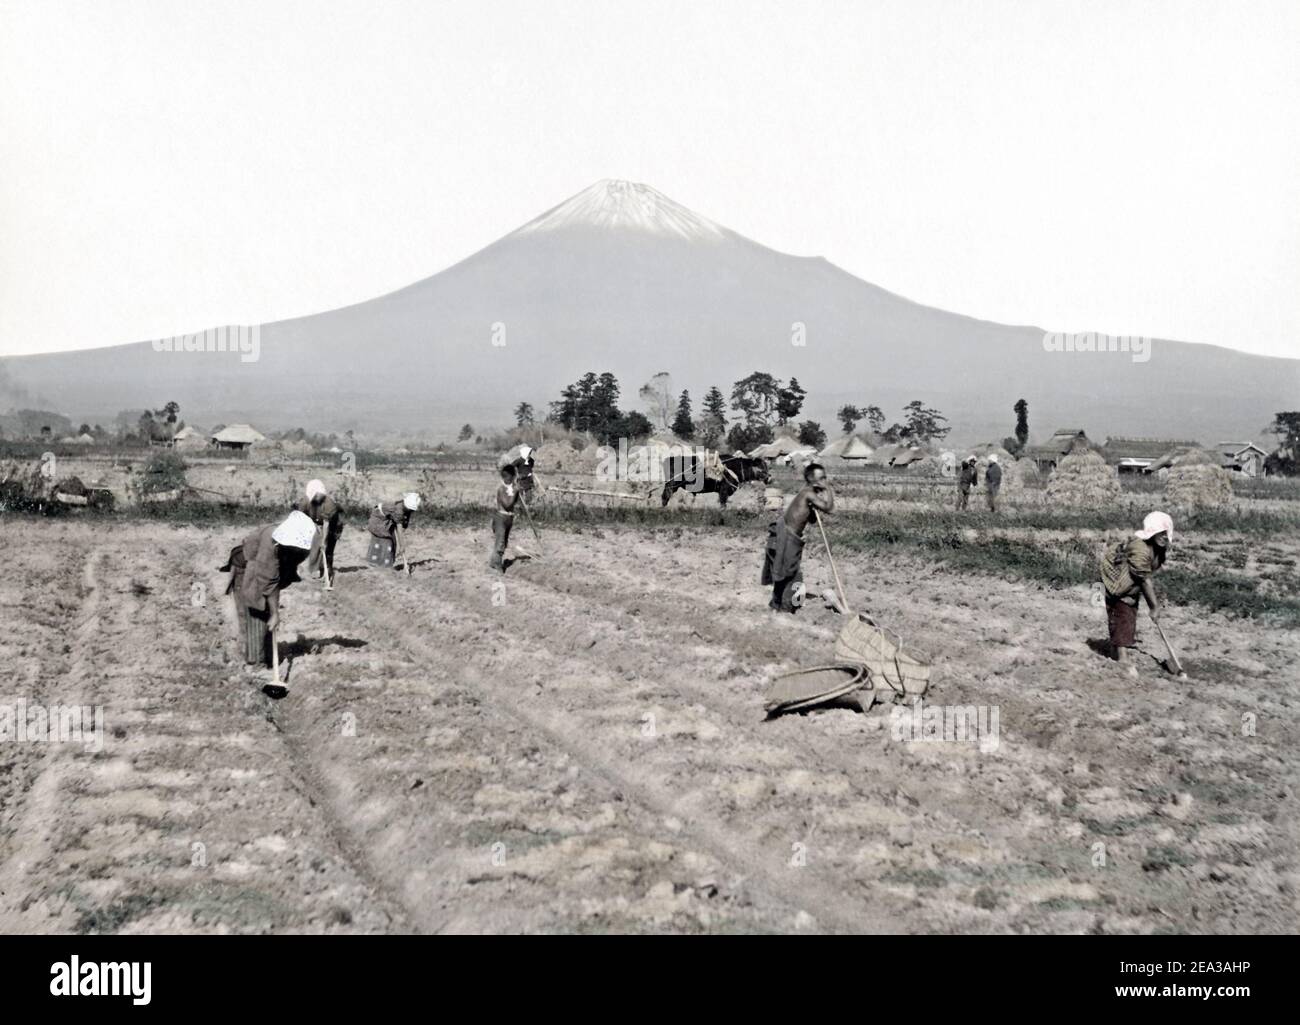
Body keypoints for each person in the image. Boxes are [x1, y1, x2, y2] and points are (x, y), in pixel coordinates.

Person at [221, 510, 315, 667]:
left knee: (266, 616)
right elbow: (268, 581)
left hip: (264, 568)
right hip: (247, 567)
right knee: (255, 609)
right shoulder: (270, 542)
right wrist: (275, 612)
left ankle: (267, 657)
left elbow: (282, 571)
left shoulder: (302, 544)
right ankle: (255, 662)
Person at [1100, 511, 1173, 677]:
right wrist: (1154, 606)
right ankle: (1122, 656)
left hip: (1131, 583)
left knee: (1129, 612)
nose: (1163, 537)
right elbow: (1145, 579)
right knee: (1122, 611)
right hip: (1116, 579)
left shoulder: (1159, 550)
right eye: (1159, 533)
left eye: (1165, 534)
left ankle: (1116, 647)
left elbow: (1146, 576)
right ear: (1151, 532)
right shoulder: (1140, 548)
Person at [762, 462, 834, 613]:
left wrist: (814, 509)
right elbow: (829, 508)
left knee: (785, 573)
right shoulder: (808, 493)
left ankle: (776, 605)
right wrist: (828, 488)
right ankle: (787, 609)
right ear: (811, 479)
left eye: (825, 478)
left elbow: (812, 519)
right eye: (822, 478)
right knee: (794, 576)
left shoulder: (807, 494)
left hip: (789, 537)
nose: (824, 481)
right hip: (787, 537)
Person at [294, 479, 343, 584]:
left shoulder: (329, 503)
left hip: (332, 526)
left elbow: (326, 524)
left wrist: (324, 541)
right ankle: (312, 569)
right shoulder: (305, 501)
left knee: (328, 549)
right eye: (315, 495)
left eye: (319, 495)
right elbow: (300, 517)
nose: (317, 497)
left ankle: (327, 573)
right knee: (311, 547)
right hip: (315, 523)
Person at [367, 493, 420, 569]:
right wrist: (402, 546)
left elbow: (404, 522)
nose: (411, 511)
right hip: (378, 520)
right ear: (406, 505)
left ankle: (383, 564)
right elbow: (399, 528)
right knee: (387, 541)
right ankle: (380, 565)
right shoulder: (399, 510)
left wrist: (403, 530)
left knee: (392, 541)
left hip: (387, 521)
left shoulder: (406, 509)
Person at [489, 466, 519, 572]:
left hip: (509, 517)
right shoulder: (501, 489)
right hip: (500, 517)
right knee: (500, 541)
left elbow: (514, 503)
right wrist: (515, 492)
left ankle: (494, 561)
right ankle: (497, 564)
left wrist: (518, 493)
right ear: (505, 477)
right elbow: (507, 504)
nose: (510, 480)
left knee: (504, 541)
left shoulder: (512, 488)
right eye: (509, 478)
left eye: (512, 478)